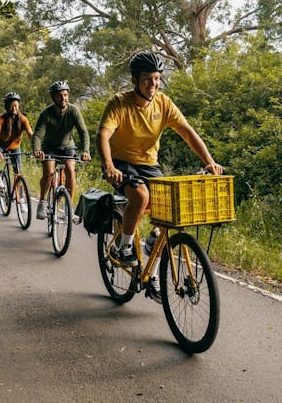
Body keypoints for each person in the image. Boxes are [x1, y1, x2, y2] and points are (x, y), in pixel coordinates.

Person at [96, 52, 223, 301]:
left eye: (156, 79)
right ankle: (123, 247)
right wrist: (109, 165)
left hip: (149, 165)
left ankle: (151, 275)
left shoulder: (163, 103)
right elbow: (103, 135)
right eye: (147, 80)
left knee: (165, 221)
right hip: (122, 164)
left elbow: (188, 133)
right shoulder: (119, 103)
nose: (153, 84)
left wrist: (209, 162)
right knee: (141, 196)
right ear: (134, 80)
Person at [32, 81, 91, 220]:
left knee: (70, 169)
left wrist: (86, 151)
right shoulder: (46, 113)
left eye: (65, 95)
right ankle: (42, 202)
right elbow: (38, 134)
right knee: (49, 172)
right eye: (59, 96)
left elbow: (83, 132)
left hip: (68, 146)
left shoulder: (73, 110)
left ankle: (67, 206)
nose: (63, 98)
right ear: (53, 97)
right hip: (50, 147)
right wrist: (37, 150)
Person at [0, 92, 34, 189]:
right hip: (1, 145)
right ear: (7, 107)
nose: (14, 108)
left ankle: (21, 198)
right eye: (11, 106)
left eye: (16, 106)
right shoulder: (1, 119)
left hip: (15, 147)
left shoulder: (23, 119)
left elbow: (31, 134)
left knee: (18, 173)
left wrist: (36, 148)